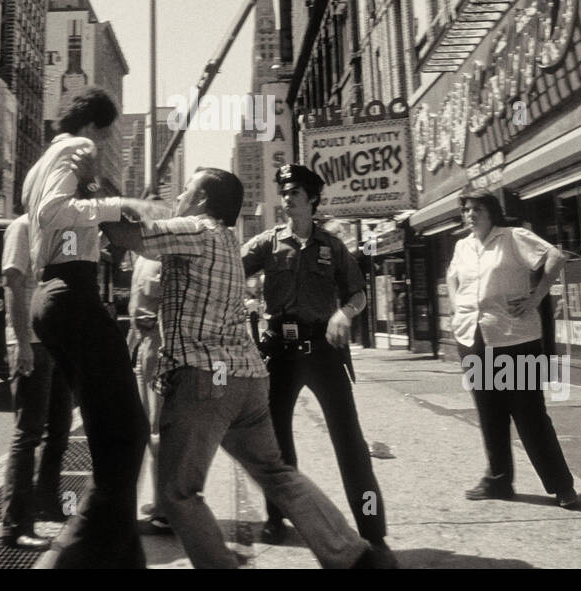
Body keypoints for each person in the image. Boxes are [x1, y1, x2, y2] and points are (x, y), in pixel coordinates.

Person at [102, 168, 388, 568]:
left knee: (178, 493)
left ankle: (368, 532)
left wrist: (106, 200)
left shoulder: (196, 229)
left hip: (217, 376)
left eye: (186, 191)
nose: (179, 197)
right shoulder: (244, 242)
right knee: (277, 471)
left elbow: (125, 236)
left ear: (202, 201)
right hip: (253, 375)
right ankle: (356, 556)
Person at [22, 87, 155, 568]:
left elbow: (51, 216)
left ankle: (122, 556)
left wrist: (103, 208)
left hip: (55, 297)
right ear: (95, 127)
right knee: (131, 430)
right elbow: (50, 213)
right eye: (111, 132)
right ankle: (72, 552)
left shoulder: (41, 163)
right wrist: (115, 207)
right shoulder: (75, 149)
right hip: (71, 295)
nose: (111, 142)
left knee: (110, 435)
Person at [241, 164, 391, 553]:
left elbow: (358, 293)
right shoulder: (267, 244)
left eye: (294, 193)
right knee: (274, 443)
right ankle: (276, 519)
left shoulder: (332, 246)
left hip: (324, 351)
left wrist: (345, 314)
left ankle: (372, 529)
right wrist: (242, 300)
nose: (286, 198)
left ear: (311, 200)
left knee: (350, 442)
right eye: (284, 192)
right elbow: (228, 267)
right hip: (280, 354)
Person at [446, 189, 577, 507]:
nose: (471, 214)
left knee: (530, 415)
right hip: (473, 339)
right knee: (489, 414)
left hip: (515, 339)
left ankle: (561, 486)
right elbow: (452, 276)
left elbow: (556, 257)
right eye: (466, 210)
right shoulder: (463, 246)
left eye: (477, 208)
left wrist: (535, 297)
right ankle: (498, 482)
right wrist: (457, 307)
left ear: (492, 211)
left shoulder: (513, 237)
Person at [0, 211, 74, 550]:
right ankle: (15, 526)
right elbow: (13, 284)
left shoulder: (60, 230)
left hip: (58, 344)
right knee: (28, 433)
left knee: (59, 430)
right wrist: (23, 343)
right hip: (32, 342)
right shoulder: (23, 227)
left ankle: (47, 503)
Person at [127, 252, 169, 532]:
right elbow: (135, 309)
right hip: (142, 345)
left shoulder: (168, 254)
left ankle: (165, 509)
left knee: (157, 431)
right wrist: (128, 349)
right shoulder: (140, 259)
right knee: (143, 430)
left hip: (159, 345)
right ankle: (159, 502)